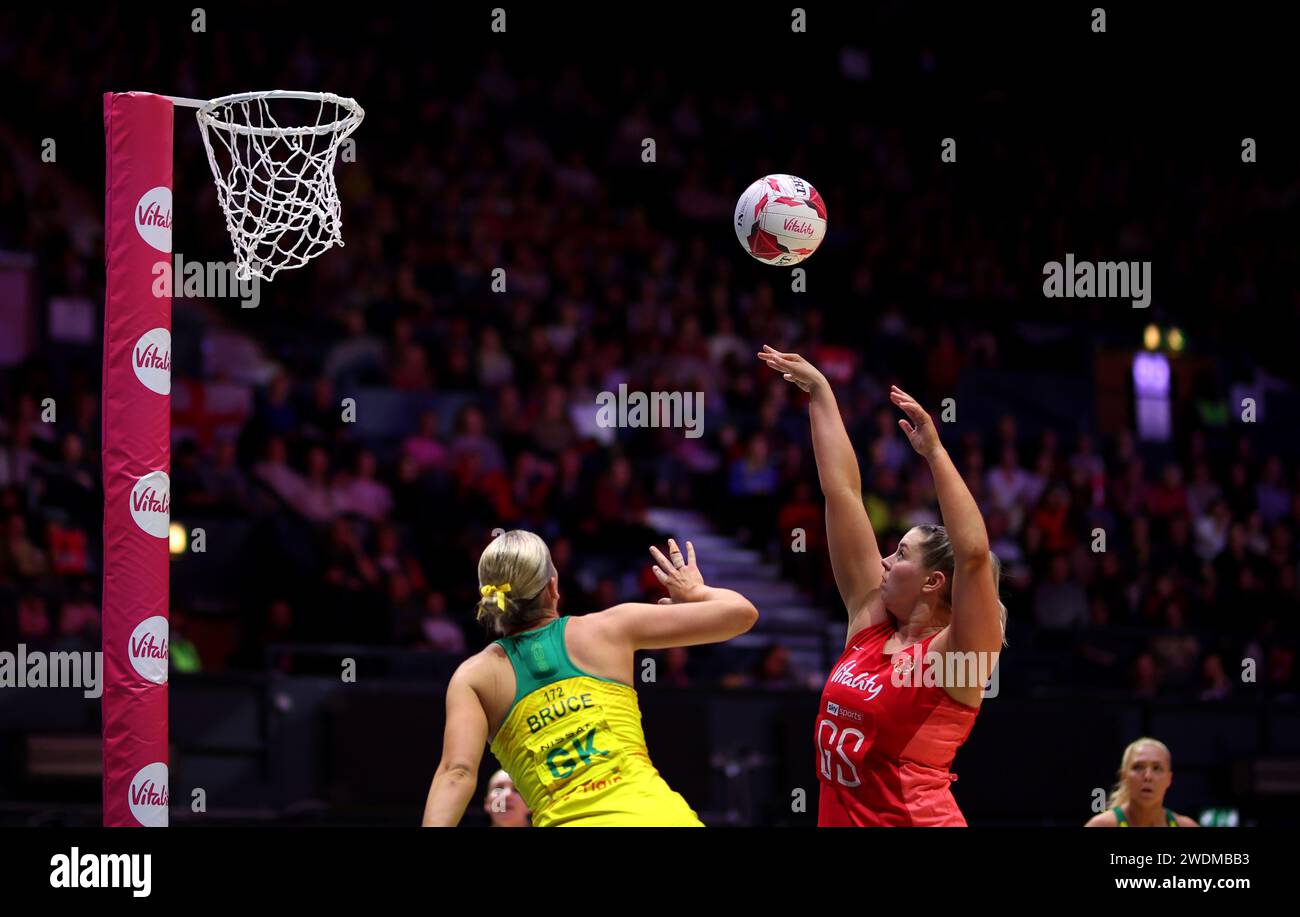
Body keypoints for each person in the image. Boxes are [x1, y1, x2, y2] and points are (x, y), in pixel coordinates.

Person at [758, 346, 1005, 826]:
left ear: (934, 582)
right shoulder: (871, 625)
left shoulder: (956, 657)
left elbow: (973, 557)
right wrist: (821, 393)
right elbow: (843, 492)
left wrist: (933, 452)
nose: (885, 562)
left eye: (902, 554)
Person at [422, 530, 758, 826]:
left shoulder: (474, 677)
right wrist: (695, 592)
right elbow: (741, 614)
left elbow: (457, 774)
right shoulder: (610, 628)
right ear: (552, 586)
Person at [1084, 737, 1199, 827]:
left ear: (1169, 779)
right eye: (1138, 767)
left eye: (1156, 768)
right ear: (1124, 777)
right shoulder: (1101, 825)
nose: (1148, 776)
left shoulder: (1187, 825)